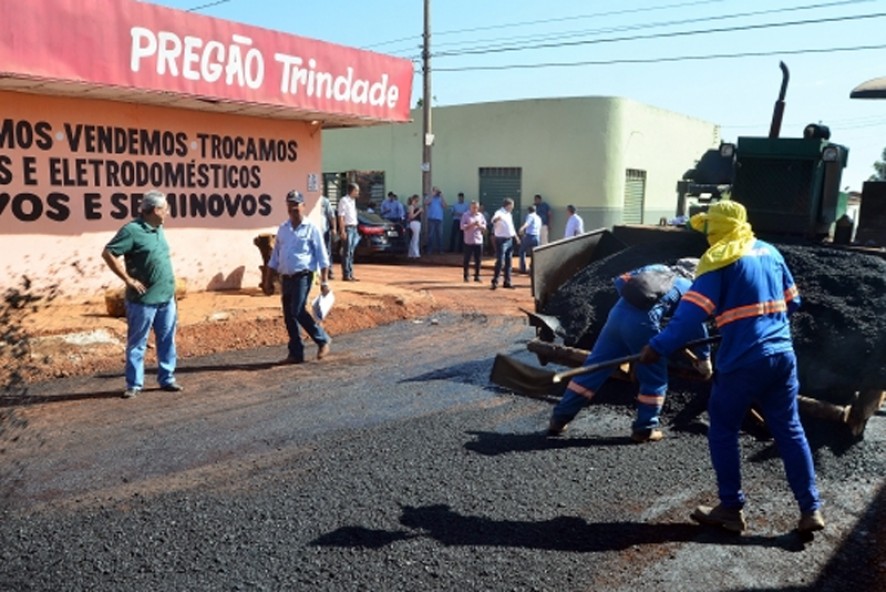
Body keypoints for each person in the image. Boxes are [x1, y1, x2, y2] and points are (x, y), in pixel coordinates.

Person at [638, 200, 824, 535]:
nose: (707, 232)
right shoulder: (770, 252)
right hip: (782, 356)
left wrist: (657, 347)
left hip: (743, 362)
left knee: (723, 428)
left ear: (718, 227)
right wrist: (757, 322)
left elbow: (689, 317)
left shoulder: (720, 260)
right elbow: (793, 301)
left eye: (709, 226)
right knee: (790, 429)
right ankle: (811, 509)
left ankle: (731, 508)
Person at [548, 260, 711, 442]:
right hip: (642, 325)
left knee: (594, 368)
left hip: (616, 316)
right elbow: (694, 322)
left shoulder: (655, 268)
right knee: (654, 376)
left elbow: (620, 281)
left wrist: (636, 306)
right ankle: (645, 429)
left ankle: (559, 419)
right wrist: (704, 358)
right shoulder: (690, 287)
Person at [101, 189, 183, 399]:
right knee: (137, 343)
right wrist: (128, 280)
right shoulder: (131, 230)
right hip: (143, 301)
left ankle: (167, 378)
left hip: (166, 298)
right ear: (155, 209)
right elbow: (108, 252)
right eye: (165, 209)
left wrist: (171, 292)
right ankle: (134, 384)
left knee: (167, 339)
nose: (168, 213)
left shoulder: (158, 228)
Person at [264, 190, 332, 364]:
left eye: (296, 205)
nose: (293, 209)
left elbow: (322, 257)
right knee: (289, 315)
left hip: (304, 275)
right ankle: (296, 353)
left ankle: (322, 339)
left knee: (298, 309)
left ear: (303, 206)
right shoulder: (283, 229)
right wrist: (268, 281)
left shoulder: (311, 228)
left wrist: (324, 282)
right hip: (286, 277)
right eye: (290, 205)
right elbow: (275, 257)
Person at [490, 198, 519, 290]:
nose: (513, 207)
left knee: (508, 261)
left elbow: (511, 227)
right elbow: (493, 220)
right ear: (508, 205)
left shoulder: (509, 214)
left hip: (509, 239)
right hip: (501, 240)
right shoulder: (499, 212)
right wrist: (496, 220)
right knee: (500, 261)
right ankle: (495, 281)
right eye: (512, 205)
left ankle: (507, 281)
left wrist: (516, 237)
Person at [338, 183, 360, 281]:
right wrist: (342, 231)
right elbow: (341, 216)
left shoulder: (352, 201)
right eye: (356, 191)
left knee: (351, 252)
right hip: (348, 228)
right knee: (346, 252)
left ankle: (350, 273)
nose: (357, 193)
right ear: (351, 191)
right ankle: (346, 274)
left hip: (354, 228)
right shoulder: (344, 201)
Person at [460, 200, 486, 282]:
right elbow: (462, 227)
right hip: (469, 240)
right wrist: (471, 225)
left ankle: (477, 276)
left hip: (478, 240)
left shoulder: (481, 215)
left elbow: (484, 226)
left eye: (476, 207)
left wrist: (480, 225)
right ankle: (466, 275)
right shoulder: (465, 215)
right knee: (467, 259)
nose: (475, 209)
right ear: (470, 207)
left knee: (478, 259)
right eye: (473, 207)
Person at [517, 205, 541, 274]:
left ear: (529, 211)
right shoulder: (538, 218)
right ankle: (532, 269)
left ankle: (523, 268)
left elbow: (527, 223)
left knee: (522, 251)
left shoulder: (530, 216)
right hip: (537, 236)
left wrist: (522, 228)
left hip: (529, 236)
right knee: (534, 254)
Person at [424, 186, 447, 255]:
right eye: (435, 191)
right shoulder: (429, 197)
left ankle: (440, 250)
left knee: (440, 235)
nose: (436, 192)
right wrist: (432, 195)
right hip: (431, 218)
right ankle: (429, 250)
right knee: (430, 235)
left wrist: (441, 195)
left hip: (439, 219)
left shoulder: (440, 198)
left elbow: (445, 206)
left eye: (437, 191)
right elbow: (426, 203)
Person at [319, 195, 337, 280]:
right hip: (315, 231)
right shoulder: (309, 198)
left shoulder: (325, 201)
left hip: (324, 231)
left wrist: (334, 228)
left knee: (327, 252)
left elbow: (331, 215)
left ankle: (329, 271)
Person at [406, 194, 423, 259]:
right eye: (417, 199)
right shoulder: (411, 207)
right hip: (414, 222)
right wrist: (419, 211)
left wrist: (419, 209)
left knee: (414, 239)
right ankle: (416, 254)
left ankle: (411, 253)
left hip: (417, 222)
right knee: (416, 238)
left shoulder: (415, 206)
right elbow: (411, 216)